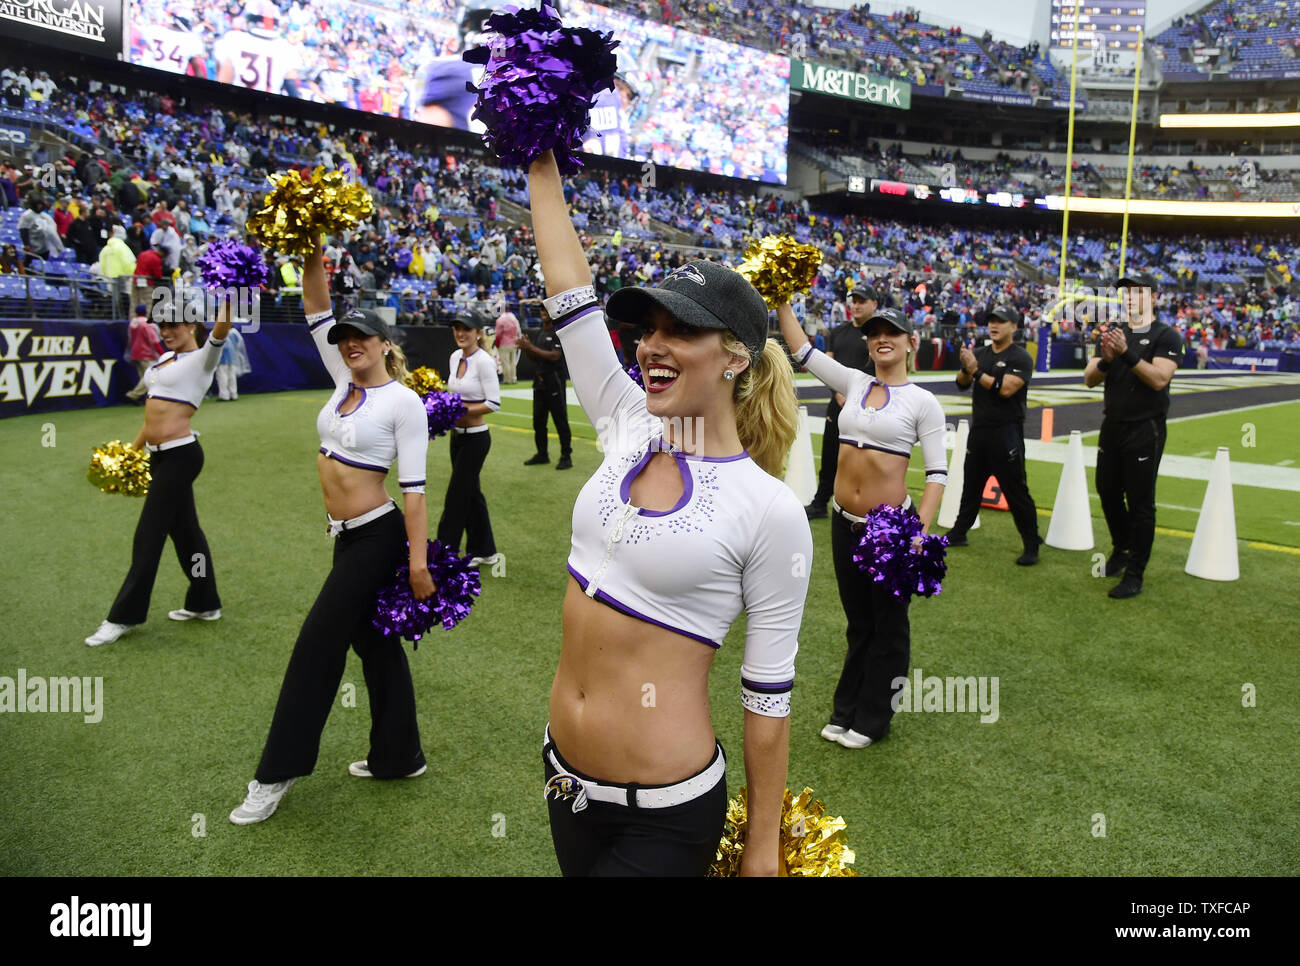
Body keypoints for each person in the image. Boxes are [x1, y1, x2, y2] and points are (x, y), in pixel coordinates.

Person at [529, 149, 811, 877]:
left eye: (680, 331)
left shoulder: (769, 510)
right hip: (566, 784)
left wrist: (763, 850)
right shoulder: (627, 421)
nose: (652, 346)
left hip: (664, 814)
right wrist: (537, 143)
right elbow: (567, 286)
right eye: (647, 329)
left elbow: (768, 702)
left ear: (736, 357)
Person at [231, 245, 431, 825]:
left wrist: (417, 564)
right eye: (345, 338)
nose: (351, 344)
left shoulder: (404, 403)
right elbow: (315, 304)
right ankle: (400, 755)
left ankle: (273, 775)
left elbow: (414, 491)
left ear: (385, 344)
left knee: (317, 644)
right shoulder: (341, 376)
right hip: (345, 536)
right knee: (374, 643)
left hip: (379, 536)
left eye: (362, 337)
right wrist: (312, 247)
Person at [777, 301, 947, 751]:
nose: (880, 338)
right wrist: (781, 301)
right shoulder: (854, 382)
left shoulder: (923, 401)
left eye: (891, 331)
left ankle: (874, 718)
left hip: (890, 529)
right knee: (858, 623)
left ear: (912, 341)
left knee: (888, 627)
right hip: (843, 521)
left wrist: (920, 530)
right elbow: (802, 350)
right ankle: (845, 709)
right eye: (873, 333)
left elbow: (937, 474)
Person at [84, 299, 235, 646]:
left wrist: (230, 290)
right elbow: (151, 417)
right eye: (162, 326)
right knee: (187, 535)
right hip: (158, 457)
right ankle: (205, 602)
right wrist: (130, 453)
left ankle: (123, 617)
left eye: (174, 325)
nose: (166, 332)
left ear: (192, 325)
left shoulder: (203, 358)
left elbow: (221, 330)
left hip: (182, 456)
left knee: (148, 535)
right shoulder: (164, 360)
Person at [1084, 272, 1182, 599]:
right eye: (1125, 292)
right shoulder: (1116, 332)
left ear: (1153, 296)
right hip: (1113, 423)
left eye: (1137, 292)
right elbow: (1089, 379)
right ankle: (1122, 548)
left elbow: (1158, 379)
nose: (1129, 297)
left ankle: (1135, 573)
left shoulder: (1166, 335)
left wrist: (1126, 354)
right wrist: (1108, 360)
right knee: (1107, 490)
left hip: (1145, 427)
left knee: (1140, 501)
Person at [945, 306, 1042, 565]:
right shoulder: (980, 353)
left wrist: (975, 371)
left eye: (1000, 321)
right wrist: (967, 368)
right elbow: (961, 384)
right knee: (971, 486)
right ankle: (959, 532)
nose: (994, 325)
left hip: (1006, 432)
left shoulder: (1020, 357)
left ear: (1014, 326)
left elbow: (1004, 389)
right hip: (981, 430)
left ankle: (1032, 542)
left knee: (1016, 490)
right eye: (991, 321)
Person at [805, 286, 878, 519]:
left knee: (863, 460)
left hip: (866, 408)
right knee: (829, 455)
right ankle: (820, 503)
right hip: (836, 404)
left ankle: (864, 505)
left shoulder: (878, 333)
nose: (856, 305)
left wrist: (855, 396)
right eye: (854, 301)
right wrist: (838, 391)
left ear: (874, 304)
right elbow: (827, 366)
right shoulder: (837, 332)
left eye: (862, 301)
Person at [438, 311, 501, 567]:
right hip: (457, 437)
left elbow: (493, 403)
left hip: (476, 439)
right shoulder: (455, 357)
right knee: (471, 493)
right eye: (456, 328)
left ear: (478, 332)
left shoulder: (484, 361)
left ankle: (444, 554)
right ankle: (485, 551)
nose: (460, 333)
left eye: (466, 328)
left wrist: (457, 410)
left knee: (457, 496)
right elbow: (454, 393)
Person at [519, 302, 572, 470]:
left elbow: (555, 356)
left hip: (554, 381)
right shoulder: (540, 332)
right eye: (541, 309)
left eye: (545, 309)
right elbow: (535, 358)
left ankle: (566, 456)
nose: (543, 312)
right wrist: (526, 348)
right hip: (540, 381)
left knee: (560, 420)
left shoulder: (558, 332)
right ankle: (542, 454)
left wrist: (531, 347)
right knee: (539, 421)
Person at [125, 303, 165, 402]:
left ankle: (150, 397)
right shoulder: (148, 324)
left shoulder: (133, 323)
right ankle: (133, 395)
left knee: (145, 377)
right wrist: (162, 353)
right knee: (151, 376)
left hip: (135, 352)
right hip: (147, 354)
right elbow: (154, 341)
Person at [216, 325, 251, 400]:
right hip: (233, 358)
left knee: (222, 376)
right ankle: (233, 394)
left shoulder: (222, 332)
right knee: (232, 376)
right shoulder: (235, 333)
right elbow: (239, 345)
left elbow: (223, 346)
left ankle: (224, 395)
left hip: (222, 358)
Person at [494, 307, 521, 384]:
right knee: (512, 362)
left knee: (505, 362)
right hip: (514, 343)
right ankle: (513, 379)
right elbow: (518, 331)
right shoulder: (514, 319)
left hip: (504, 343)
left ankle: (507, 380)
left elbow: (498, 333)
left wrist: (496, 343)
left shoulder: (500, 320)